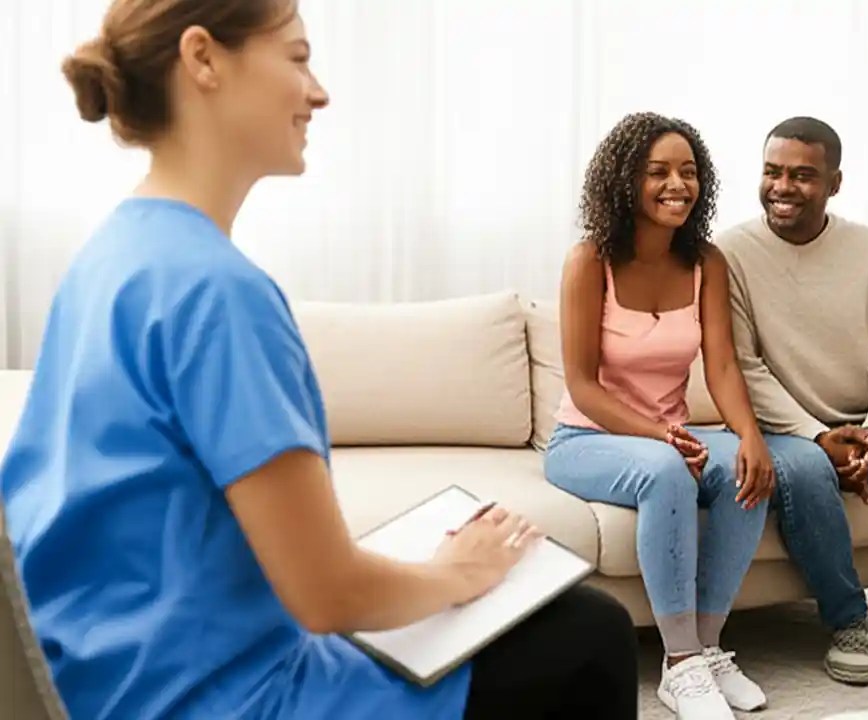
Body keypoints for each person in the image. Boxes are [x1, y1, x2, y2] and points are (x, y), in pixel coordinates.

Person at [0, 1, 638, 719]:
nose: (319, 91)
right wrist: (455, 572)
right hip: (218, 698)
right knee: (593, 633)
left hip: (105, 679)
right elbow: (329, 595)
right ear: (203, 58)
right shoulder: (216, 291)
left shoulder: (109, 255)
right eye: (297, 57)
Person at [545, 111, 775, 720]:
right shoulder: (589, 261)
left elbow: (722, 367)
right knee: (666, 471)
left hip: (671, 435)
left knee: (749, 469)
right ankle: (679, 665)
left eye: (689, 171)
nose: (678, 184)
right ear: (627, 181)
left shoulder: (706, 262)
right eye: (658, 172)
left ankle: (705, 648)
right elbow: (582, 385)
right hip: (588, 438)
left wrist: (749, 435)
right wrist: (661, 435)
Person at [715, 116, 868, 685]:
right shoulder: (729, 254)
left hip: (865, 423)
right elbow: (745, 367)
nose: (782, 186)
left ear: (834, 183)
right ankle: (850, 621)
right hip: (784, 429)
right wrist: (818, 438)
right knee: (806, 475)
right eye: (772, 172)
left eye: (802, 175)